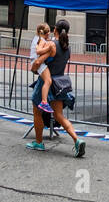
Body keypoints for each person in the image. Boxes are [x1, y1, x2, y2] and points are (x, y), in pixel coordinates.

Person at [28, 19, 85, 157]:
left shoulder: (51, 44)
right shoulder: (68, 47)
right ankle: (77, 140)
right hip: (60, 84)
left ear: (55, 30)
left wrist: (34, 68)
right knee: (59, 115)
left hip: (46, 82)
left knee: (37, 111)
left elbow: (39, 60)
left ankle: (39, 142)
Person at [29, 22, 55, 115]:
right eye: (48, 32)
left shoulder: (38, 39)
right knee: (48, 81)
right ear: (46, 33)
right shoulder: (42, 40)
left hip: (38, 62)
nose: (49, 34)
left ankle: (44, 101)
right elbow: (39, 51)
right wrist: (49, 49)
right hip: (38, 62)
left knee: (48, 81)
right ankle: (44, 102)